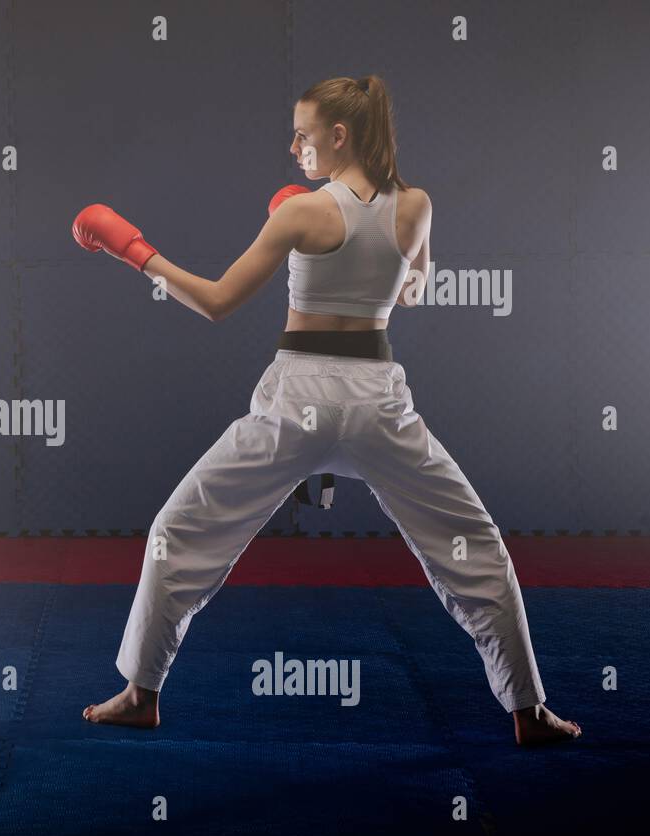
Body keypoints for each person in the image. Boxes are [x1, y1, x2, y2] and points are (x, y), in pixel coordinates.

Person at [74, 75, 580, 747]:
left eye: (304, 135)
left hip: (301, 397)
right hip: (377, 402)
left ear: (339, 137)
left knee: (178, 531)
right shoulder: (417, 206)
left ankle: (141, 692)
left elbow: (218, 301)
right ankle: (529, 710)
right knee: (476, 546)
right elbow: (415, 291)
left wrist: (132, 250)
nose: (294, 147)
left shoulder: (301, 214)